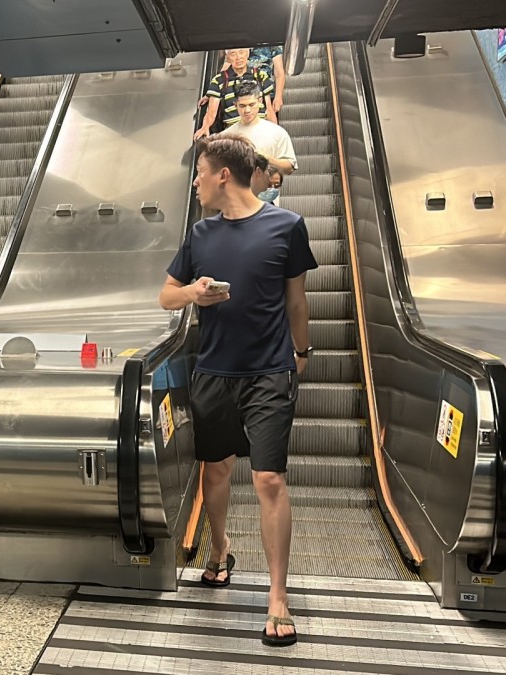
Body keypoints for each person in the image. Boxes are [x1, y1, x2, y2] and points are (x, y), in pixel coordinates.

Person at [158, 135, 317, 648]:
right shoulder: (200, 234)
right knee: (217, 468)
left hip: (270, 372)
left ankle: (277, 597)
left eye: (200, 171)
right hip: (214, 371)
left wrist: (303, 353)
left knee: (269, 477)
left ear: (223, 174)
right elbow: (166, 296)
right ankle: (220, 548)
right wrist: (192, 293)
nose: (197, 181)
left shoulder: (286, 226)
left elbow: (296, 302)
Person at [218, 80, 297, 202]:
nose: (247, 110)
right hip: (236, 204)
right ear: (235, 105)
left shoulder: (276, 132)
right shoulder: (225, 137)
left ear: (260, 101)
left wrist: (267, 159)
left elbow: (289, 167)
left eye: (252, 104)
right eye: (242, 106)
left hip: (266, 205)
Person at [195, 48, 277, 139]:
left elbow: (269, 110)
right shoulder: (219, 80)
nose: (238, 57)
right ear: (228, 57)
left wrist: (276, 131)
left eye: (241, 52)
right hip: (233, 134)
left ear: (248, 53)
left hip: (259, 131)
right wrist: (204, 127)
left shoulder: (260, 76)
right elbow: (211, 113)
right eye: (233, 54)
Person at [250, 45, 287, 114]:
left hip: (267, 93)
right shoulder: (239, 39)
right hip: (243, 94)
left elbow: (279, 73)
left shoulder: (272, 42)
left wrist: (278, 96)